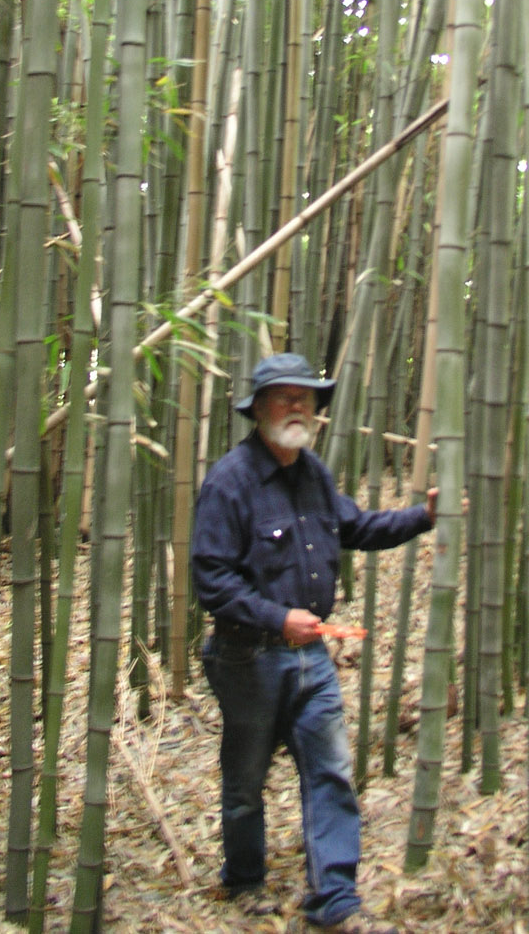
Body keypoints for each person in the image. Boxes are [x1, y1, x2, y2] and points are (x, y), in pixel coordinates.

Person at [191, 352, 436, 933]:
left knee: (329, 770)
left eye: (307, 397)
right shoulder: (231, 481)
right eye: (285, 397)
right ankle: (245, 877)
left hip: (311, 656)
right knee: (247, 779)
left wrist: (421, 518)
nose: (298, 406)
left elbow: (355, 528)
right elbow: (211, 578)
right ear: (260, 410)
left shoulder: (313, 473)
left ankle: (335, 898)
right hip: (248, 656)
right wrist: (277, 618)